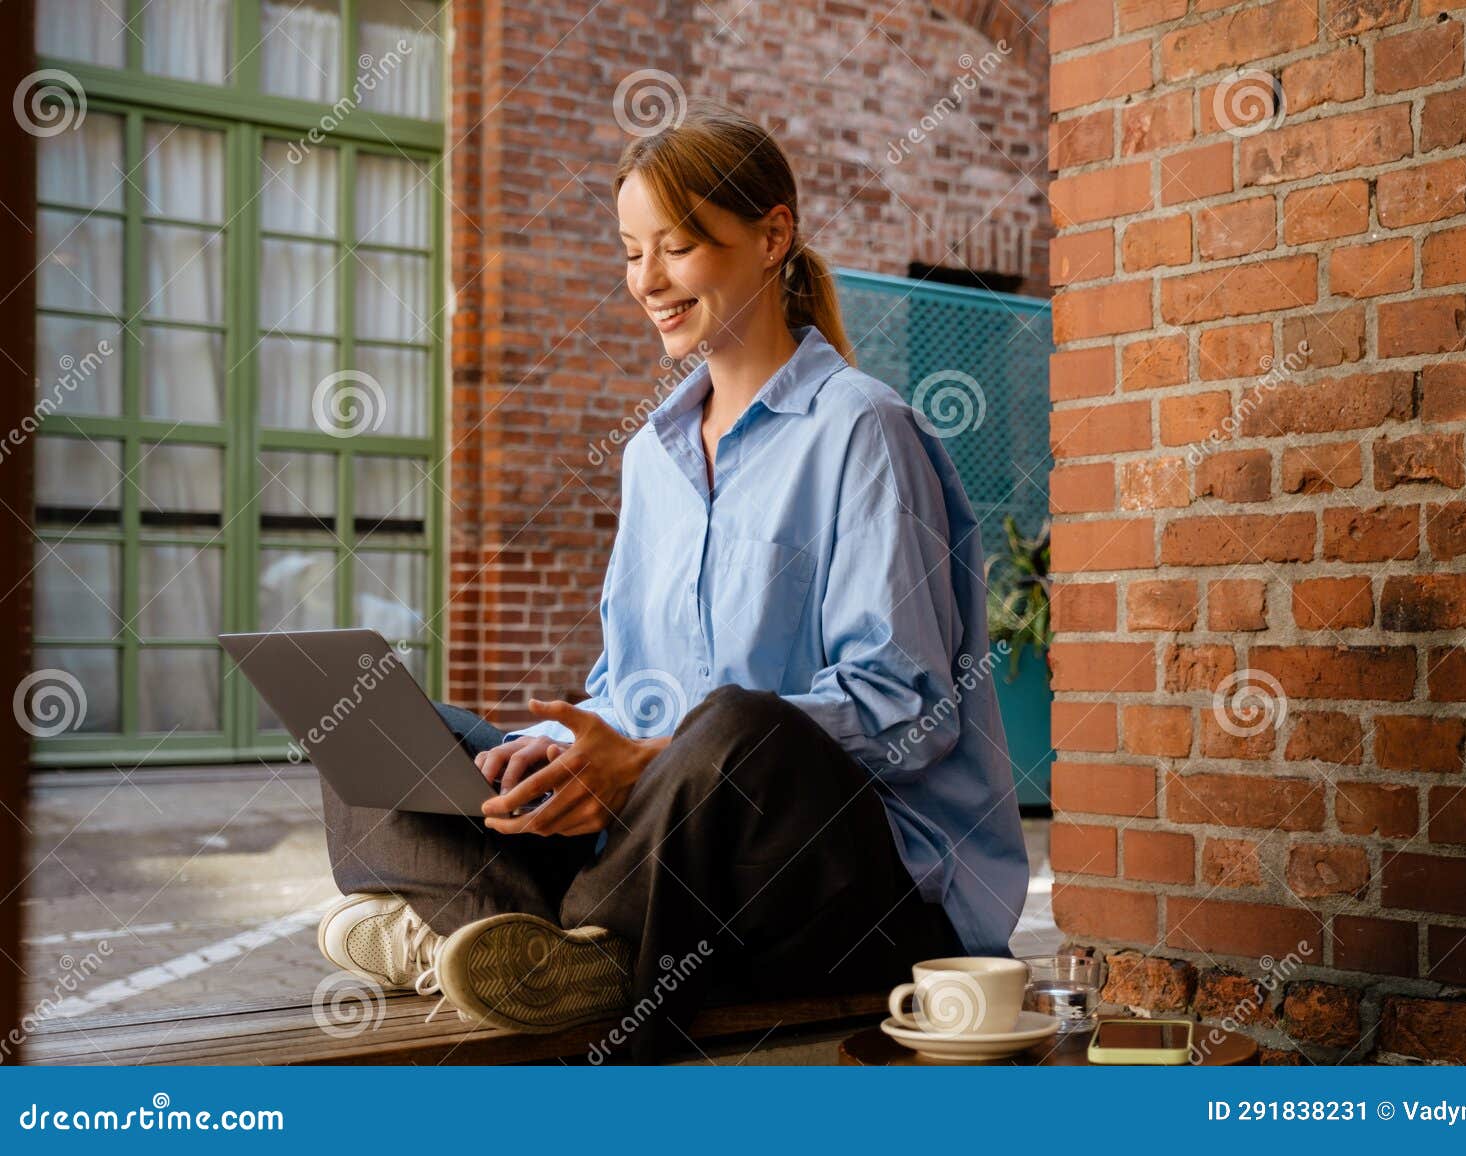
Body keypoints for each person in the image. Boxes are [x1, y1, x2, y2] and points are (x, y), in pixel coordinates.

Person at [314, 98, 1028, 1062]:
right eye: (629, 251)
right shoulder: (652, 457)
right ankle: (552, 949)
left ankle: (464, 932)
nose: (646, 280)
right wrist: (557, 755)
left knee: (738, 726)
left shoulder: (863, 429)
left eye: (679, 247)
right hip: (669, 862)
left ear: (773, 236)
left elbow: (907, 714)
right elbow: (625, 686)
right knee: (370, 714)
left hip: (857, 892)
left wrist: (650, 764)